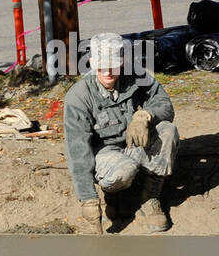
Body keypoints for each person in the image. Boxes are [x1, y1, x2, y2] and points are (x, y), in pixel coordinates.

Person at [64, 32, 179, 234]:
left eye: (114, 66)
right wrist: (88, 200)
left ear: (123, 62)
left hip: (133, 144)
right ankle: (114, 195)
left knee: (167, 131)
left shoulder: (136, 76)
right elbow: (77, 150)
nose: (108, 72)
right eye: (102, 66)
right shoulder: (78, 97)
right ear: (91, 63)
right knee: (124, 171)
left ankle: (150, 197)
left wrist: (145, 115)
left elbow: (165, 105)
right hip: (105, 154)